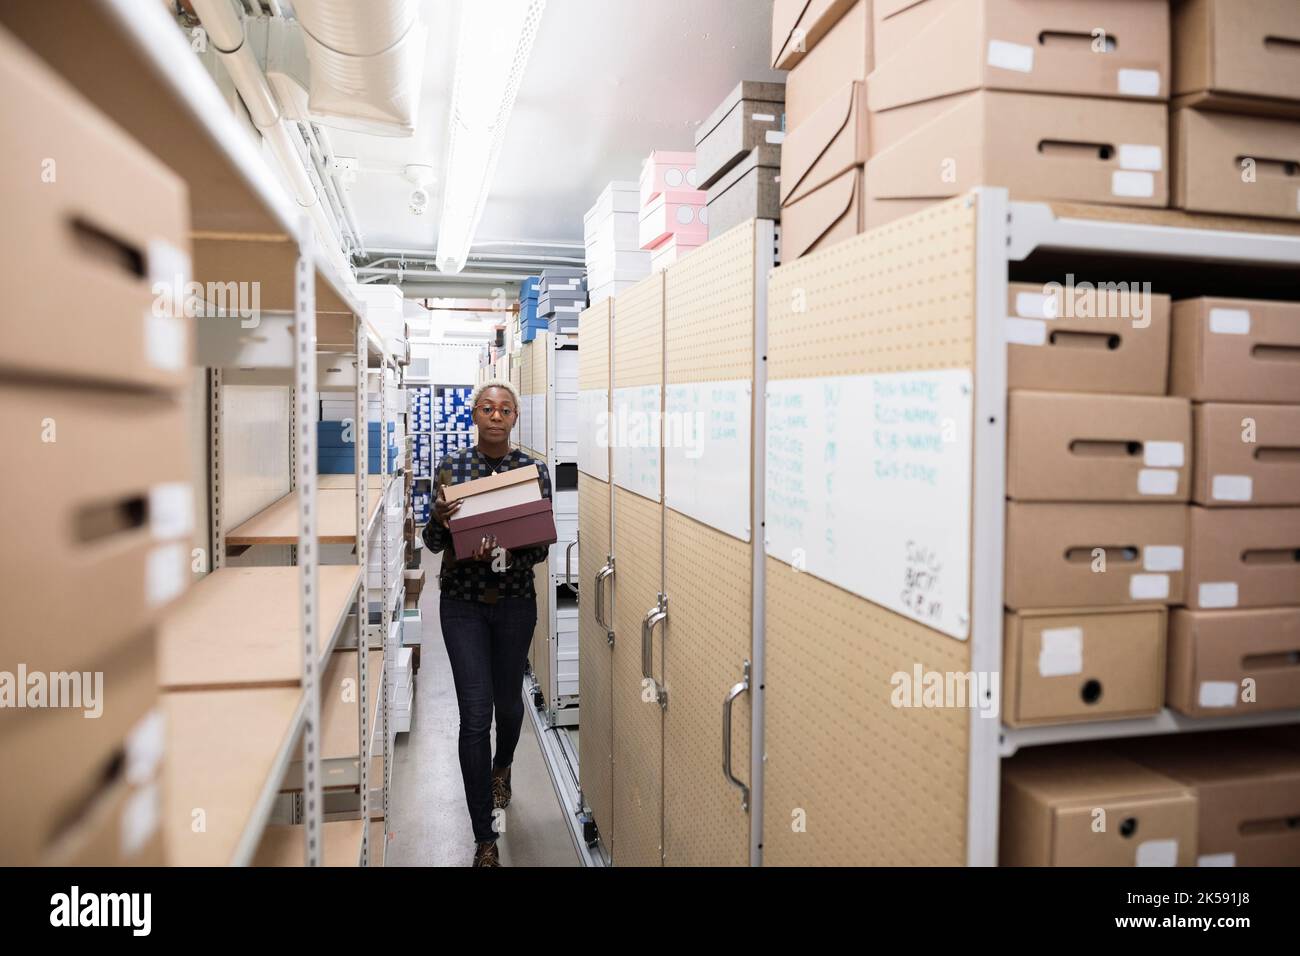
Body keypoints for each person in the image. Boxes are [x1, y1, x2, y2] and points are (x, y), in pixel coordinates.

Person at [422, 380, 552, 867]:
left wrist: (509, 553)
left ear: (515, 418)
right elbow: (433, 544)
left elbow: (541, 545)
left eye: (505, 409)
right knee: (476, 716)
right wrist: (439, 518)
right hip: (463, 604)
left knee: (509, 706)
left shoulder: (532, 472)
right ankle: (484, 837)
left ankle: (503, 766)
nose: (496, 416)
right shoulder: (451, 469)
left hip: (515, 601)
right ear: (475, 414)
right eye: (487, 408)